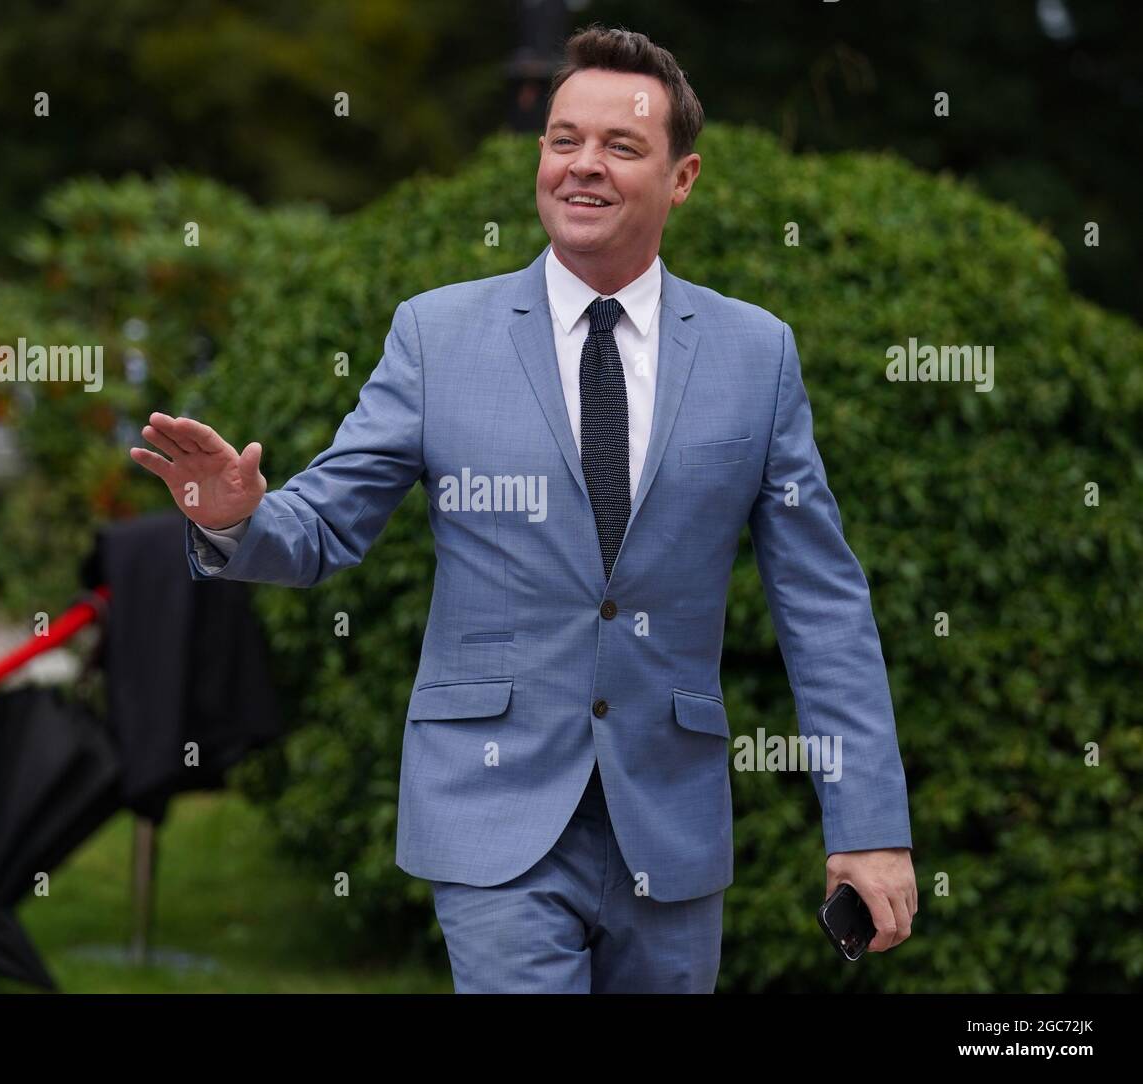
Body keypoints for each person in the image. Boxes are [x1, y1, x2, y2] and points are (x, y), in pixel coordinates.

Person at [131, 25, 917, 993]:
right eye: (562, 139)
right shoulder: (436, 336)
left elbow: (823, 605)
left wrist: (869, 825)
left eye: (620, 146)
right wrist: (235, 519)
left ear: (682, 178)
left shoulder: (757, 358)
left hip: (667, 827)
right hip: (490, 815)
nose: (582, 164)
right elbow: (324, 526)